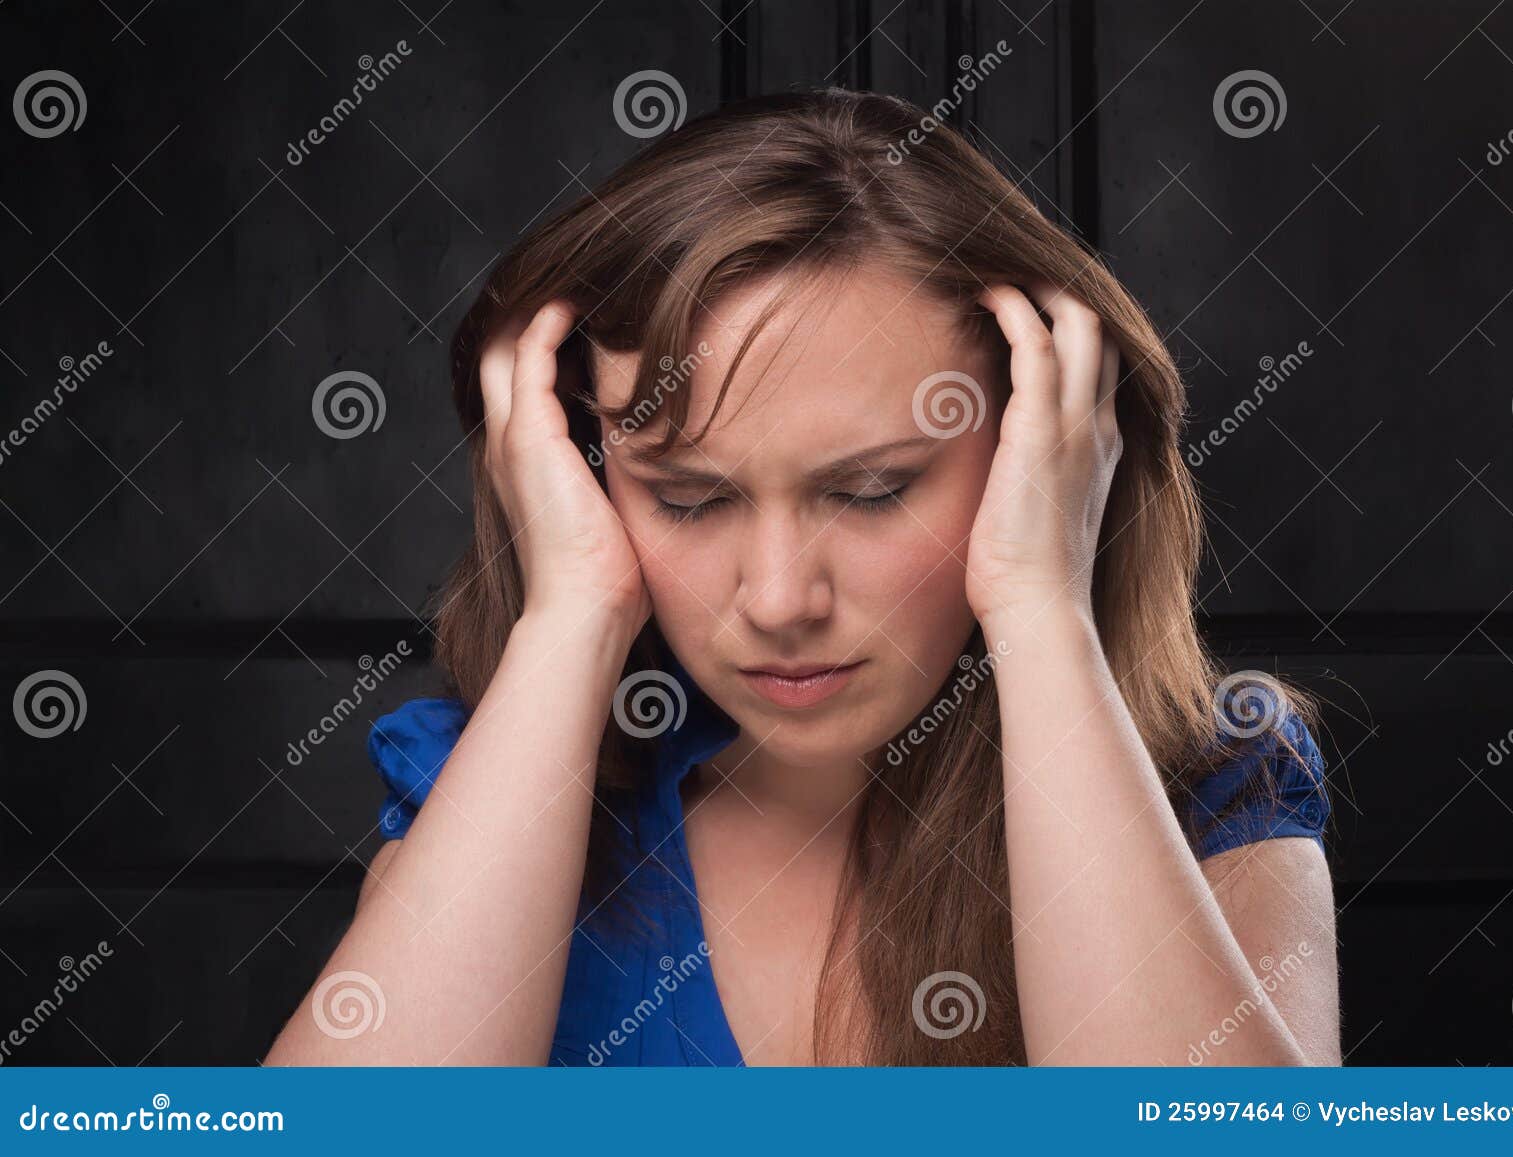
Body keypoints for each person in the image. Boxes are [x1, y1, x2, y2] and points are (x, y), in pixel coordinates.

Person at [265, 87, 1340, 1067]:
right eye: (687, 499)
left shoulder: (1212, 785)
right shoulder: (502, 786)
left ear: (1038, 451)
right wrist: (572, 614)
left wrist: (1037, 605)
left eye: (871, 491)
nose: (779, 601)